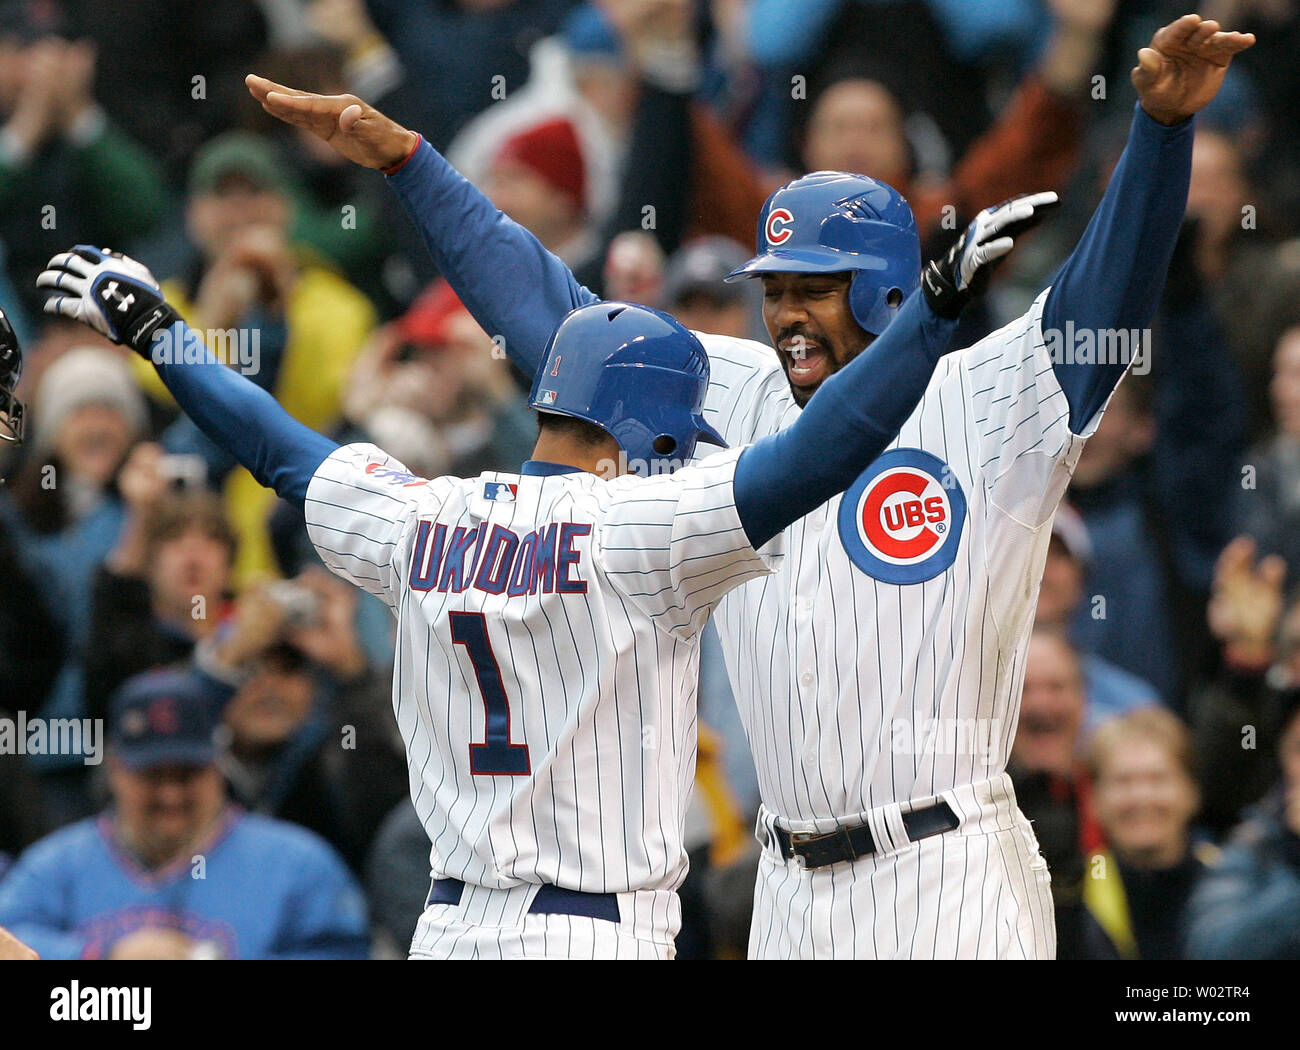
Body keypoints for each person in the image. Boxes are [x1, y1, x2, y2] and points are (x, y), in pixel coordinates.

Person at [246, 14, 1256, 957]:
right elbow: (548, 317)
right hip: (785, 880)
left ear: (891, 292)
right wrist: (411, 167)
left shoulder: (989, 390)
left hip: (947, 864)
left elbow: (1106, 285)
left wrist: (1162, 129)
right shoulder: (718, 386)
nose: (785, 314)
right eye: (774, 290)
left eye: (813, 287)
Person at [35, 192, 1041, 958]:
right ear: (649, 426)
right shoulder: (643, 529)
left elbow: (278, 450)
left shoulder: (417, 516)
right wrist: (936, 318)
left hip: (450, 928)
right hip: (594, 935)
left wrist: (158, 330)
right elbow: (826, 450)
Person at [0, 667, 369, 959]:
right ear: (113, 769)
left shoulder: (297, 863)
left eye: (187, 773)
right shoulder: (55, 866)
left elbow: (343, 952)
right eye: (152, 775)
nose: (170, 794)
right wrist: (104, 956)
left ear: (218, 766)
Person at [1081, 707, 1214, 960]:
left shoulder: (1237, 881)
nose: (1141, 797)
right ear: (1093, 799)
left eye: (1158, 779)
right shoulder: (1070, 896)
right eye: (1123, 781)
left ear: (1192, 792)